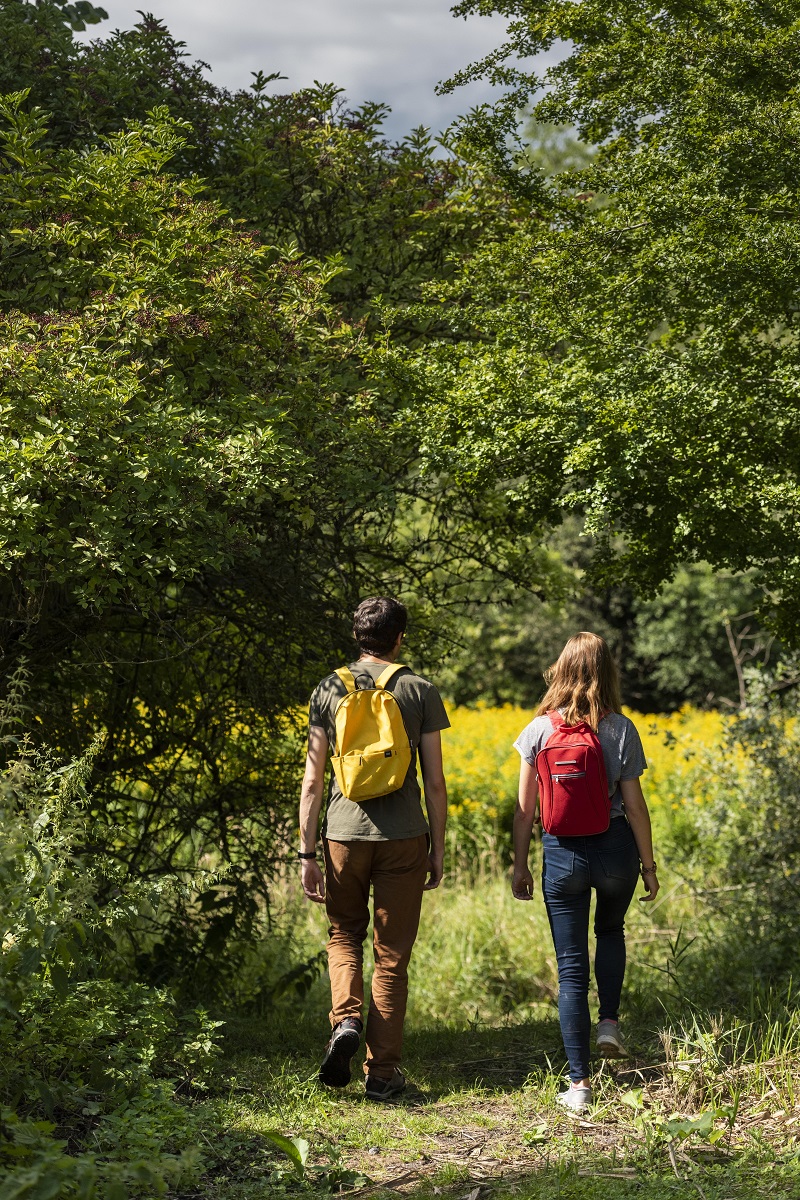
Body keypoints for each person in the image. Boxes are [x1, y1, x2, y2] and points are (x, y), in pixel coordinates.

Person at [298, 596, 449, 1102]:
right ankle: (382, 1074)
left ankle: (345, 1021)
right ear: (400, 636)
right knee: (392, 957)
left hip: (342, 834)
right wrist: (438, 847)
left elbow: (313, 780)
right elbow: (435, 780)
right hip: (405, 836)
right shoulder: (419, 690)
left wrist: (307, 853)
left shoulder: (328, 688)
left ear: (357, 636)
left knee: (344, 935)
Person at [511, 632, 660, 1113]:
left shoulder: (537, 731)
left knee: (571, 969)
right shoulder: (620, 729)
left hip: (561, 853)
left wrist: (520, 866)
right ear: (607, 672)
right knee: (612, 930)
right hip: (615, 850)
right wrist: (649, 866)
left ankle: (578, 1086)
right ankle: (610, 1024)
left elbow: (523, 811)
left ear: (559, 669)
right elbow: (635, 807)